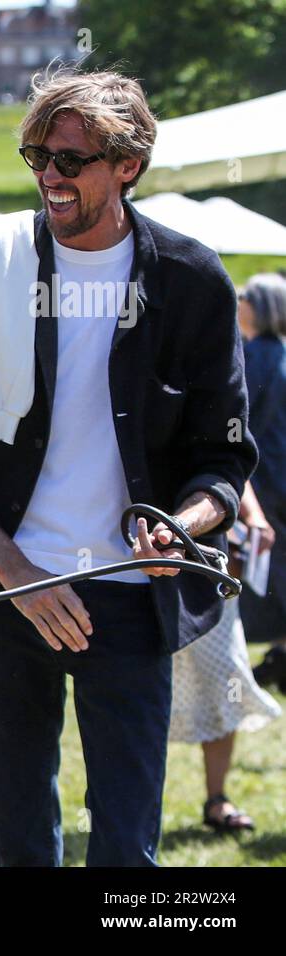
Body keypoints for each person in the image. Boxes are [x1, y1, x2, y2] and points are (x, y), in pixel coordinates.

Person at [0, 68, 257, 866]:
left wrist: (181, 528)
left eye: (71, 159)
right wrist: (13, 570)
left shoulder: (193, 280)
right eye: (36, 156)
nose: (49, 178)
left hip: (134, 605)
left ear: (128, 164)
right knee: (21, 844)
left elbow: (224, 456)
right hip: (9, 592)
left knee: (127, 849)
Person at [169, 483, 280, 833]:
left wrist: (255, 518)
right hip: (130, 553)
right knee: (133, 689)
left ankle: (217, 798)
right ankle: (129, 806)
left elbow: (225, 466)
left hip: (209, 554)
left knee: (223, 673)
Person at [232, 274, 286, 687]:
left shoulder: (260, 357)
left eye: (247, 295)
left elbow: (245, 426)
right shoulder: (273, 352)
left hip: (264, 485)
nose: (239, 298)